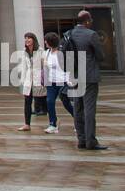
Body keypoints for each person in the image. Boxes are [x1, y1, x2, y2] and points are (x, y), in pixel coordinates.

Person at [63, 10, 105, 151]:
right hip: (89, 76)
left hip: (74, 76)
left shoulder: (68, 34)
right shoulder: (91, 34)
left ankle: (81, 139)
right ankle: (90, 141)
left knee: (78, 108)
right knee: (89, 109)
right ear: (87, 21)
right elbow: (100, 55)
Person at [41, 32, 75, 134]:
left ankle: (78, 120)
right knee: (49, 102)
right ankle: (53, 124)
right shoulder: (46, 53)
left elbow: (70, 66)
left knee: (66, 103)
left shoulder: (62, 53)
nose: (45, 42)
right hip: (51, 82)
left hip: (63, 81)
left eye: (46, 40)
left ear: (51, 42)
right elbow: (45, 68)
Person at [17, 32, 45, 131]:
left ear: (34, 39)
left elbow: (44, 65)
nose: (27, 40)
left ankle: (53, 123)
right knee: (27, 102)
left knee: (44, 103)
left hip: (39, 80)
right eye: (25, 38)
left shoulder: (40, 50)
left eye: (29, 38)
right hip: (29, 80)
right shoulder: (25, 51)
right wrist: (23, 81)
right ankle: (27, 124)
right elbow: (24, 66)